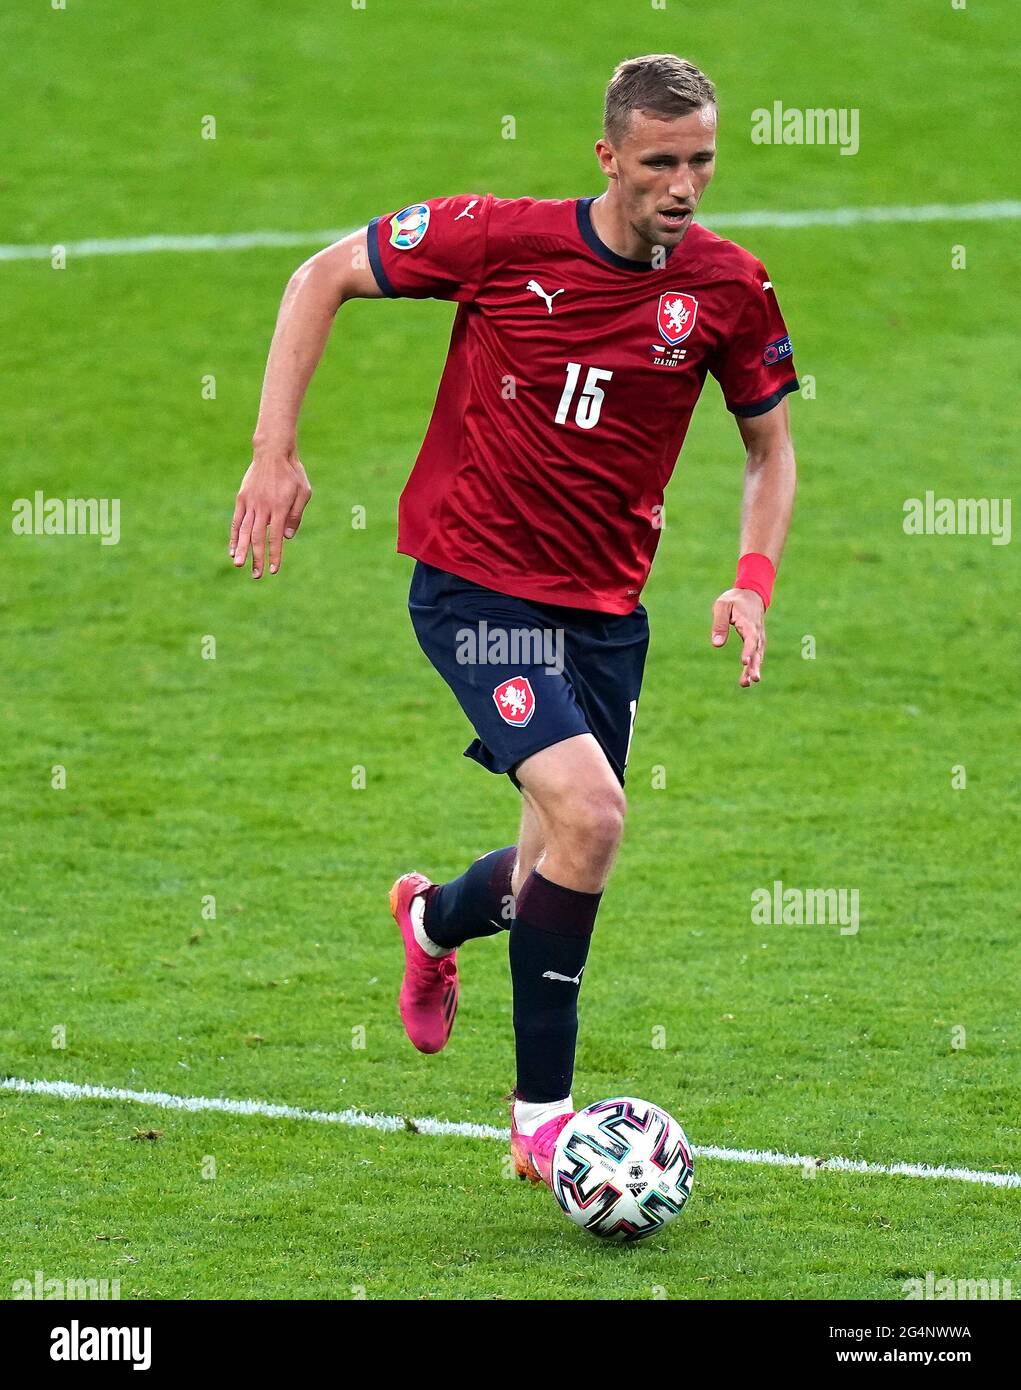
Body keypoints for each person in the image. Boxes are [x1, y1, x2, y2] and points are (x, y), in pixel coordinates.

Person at [229, 53, 798, 1189]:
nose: (683, 187)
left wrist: (751, 578)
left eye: (700, 162)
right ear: (607, 158)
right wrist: (272, 451)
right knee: (593, 816)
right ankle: (543, 1120)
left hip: (605, 612)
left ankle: (433, 924)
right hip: (475, 584)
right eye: (658, 164)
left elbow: (768, 447)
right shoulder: (499, 239)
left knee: (553, 861)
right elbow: (318, 277)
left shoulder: (729, 289)